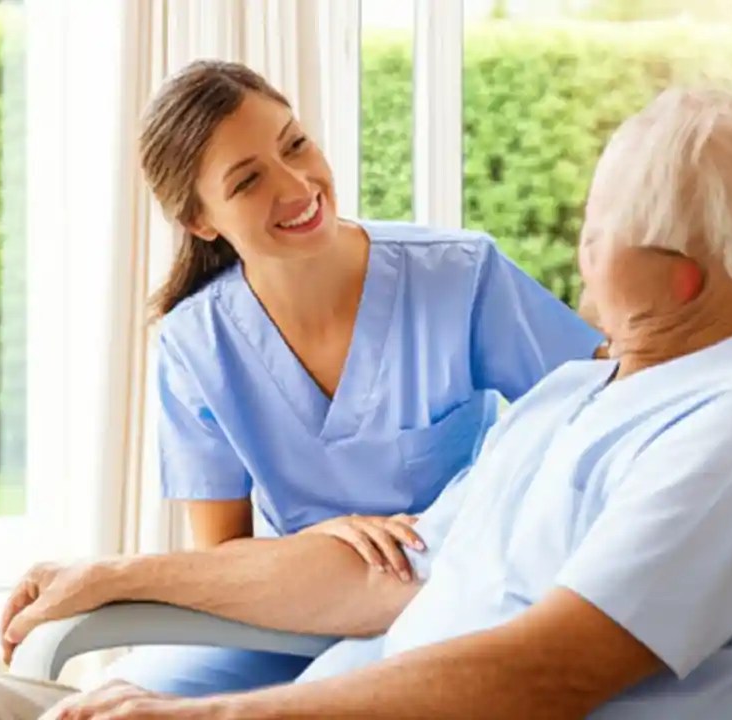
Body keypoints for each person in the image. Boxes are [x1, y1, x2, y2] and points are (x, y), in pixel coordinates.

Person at [0, 85, 732, 720]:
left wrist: (210, 719)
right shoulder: (583, 392)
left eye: (596, 229)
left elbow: (541, 674)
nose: (577, 252)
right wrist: (111, 576)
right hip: (318, 693)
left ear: (678, 281)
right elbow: (384, 577)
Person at [94, 59, 602, 697]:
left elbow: (604, 402)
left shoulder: (458, 275)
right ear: (202, 221)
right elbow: (222, 555)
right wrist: (319, 542)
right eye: (249, 181)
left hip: (450, 602)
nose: (297, 186)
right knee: (115, 700)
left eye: (296, 145)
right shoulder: (197, 344)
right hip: (288, 616)